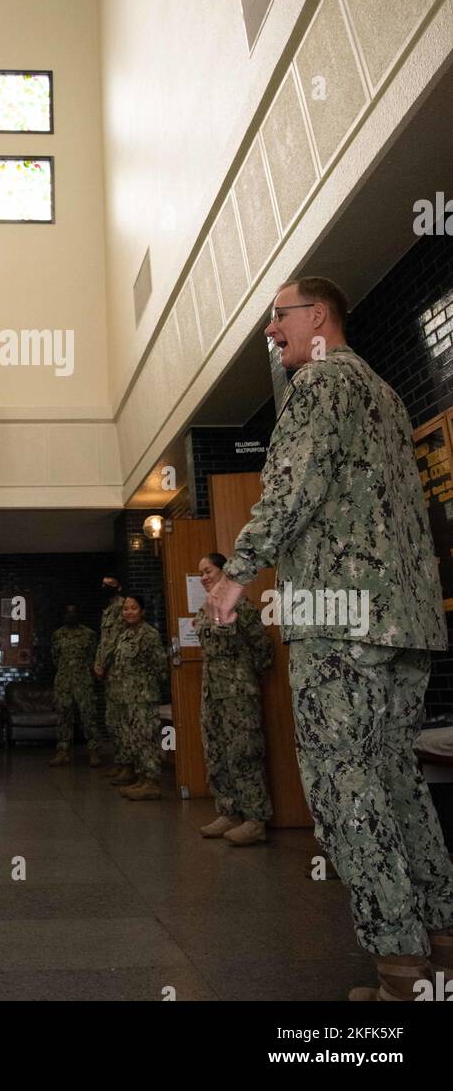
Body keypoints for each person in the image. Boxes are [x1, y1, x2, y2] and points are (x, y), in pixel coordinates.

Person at [206, 275, 453, 1001]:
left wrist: (237, 573)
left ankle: (398, 969)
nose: (270, 333)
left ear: (317, 317)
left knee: (346, 786)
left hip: (340, 620)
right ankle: (439, 936)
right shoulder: (384, 392)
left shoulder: (318, 386)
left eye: (277, 318)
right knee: (397, 779)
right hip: (405, 623)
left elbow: (292, 486)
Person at [194, 553, 273, 845]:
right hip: (212, 693)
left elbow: (263, 649)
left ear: (225, 571)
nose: (203, 577)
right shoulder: (206, 609)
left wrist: (244, 678)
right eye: (200, 573)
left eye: (208, 570)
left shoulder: (241, 604)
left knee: (244, 754)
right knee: (216, 752)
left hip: (238, 694)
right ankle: (228, 811)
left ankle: (255, 820)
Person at [109, 594, 169, 801]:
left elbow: (161, 666)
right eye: (125, 608)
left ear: (142, 611)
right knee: (133, 739)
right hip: (126, 696)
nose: (129, 612)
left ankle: (152, 782)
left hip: (143, 696)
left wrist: (148, 685)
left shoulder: (149, 634)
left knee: (146, 738)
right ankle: (142, 778)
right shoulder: (124, 635)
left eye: (133, 608)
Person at [49, 604, 102, 767]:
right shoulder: (58, 635)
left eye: (73, 612)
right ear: (64, 615)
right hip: (63, 682)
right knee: (63, 716)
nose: (70, 615)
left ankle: (93, 752)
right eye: (67, 612)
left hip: (83, 681)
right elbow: (55, 658)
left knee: (88, 716)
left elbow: (94, 657)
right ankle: (63, 751)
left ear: (78, 615)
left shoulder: (89, 634)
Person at [93, 576, 127, 779]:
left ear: (119, 586)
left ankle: (127, 765)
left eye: (110, 584)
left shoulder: (122, 606)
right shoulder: (107, 609)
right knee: (112, 719)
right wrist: (98, 663)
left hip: (118, 671)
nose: (105, 587)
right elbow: (104, 640)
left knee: (121, 720)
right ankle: (121, 762)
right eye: (103, 583)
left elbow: (114, 640)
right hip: (109, 673)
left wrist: (102, 663)